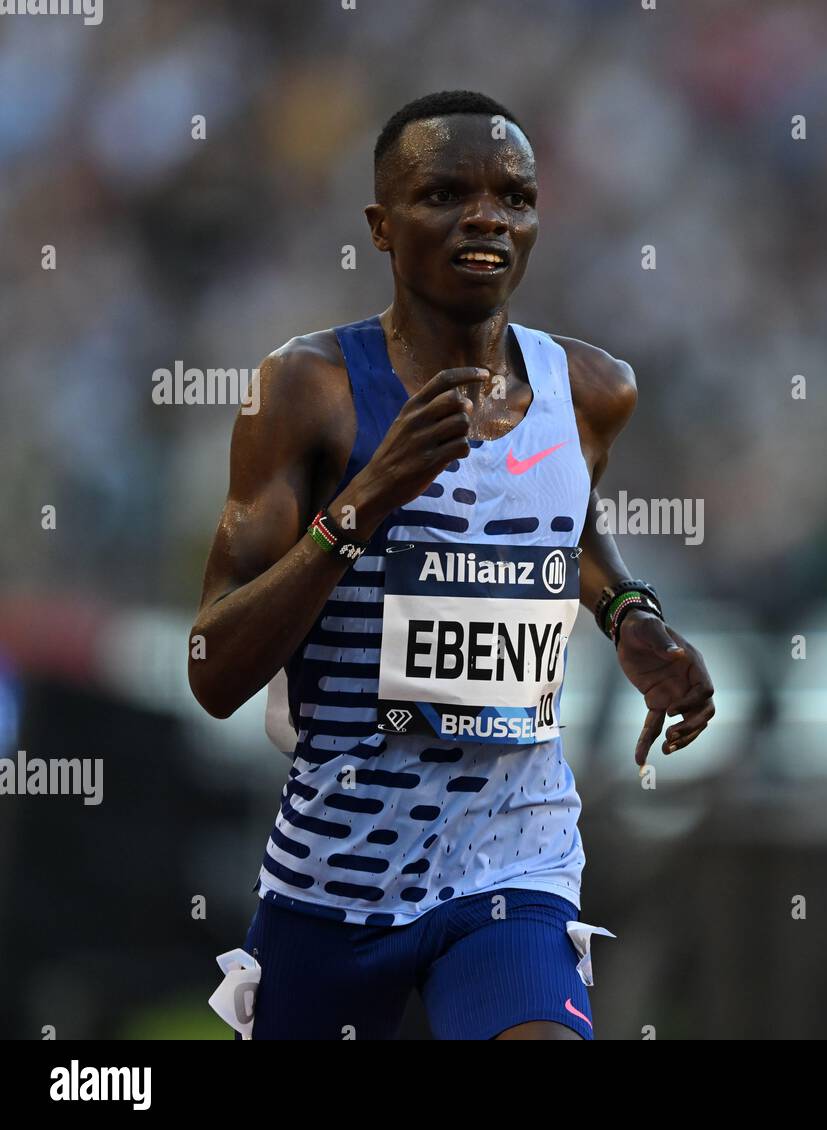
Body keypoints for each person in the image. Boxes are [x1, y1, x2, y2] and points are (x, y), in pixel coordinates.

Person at [189, 90, 715, 1040]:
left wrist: (630, 614)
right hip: (336, 871)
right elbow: (214, 670)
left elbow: (566, 523)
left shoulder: (592, 390)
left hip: (515, 862)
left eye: (514, 196)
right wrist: (363, 503)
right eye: (445, 193)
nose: (487, 216)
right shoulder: (308, 391)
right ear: (381, 228)